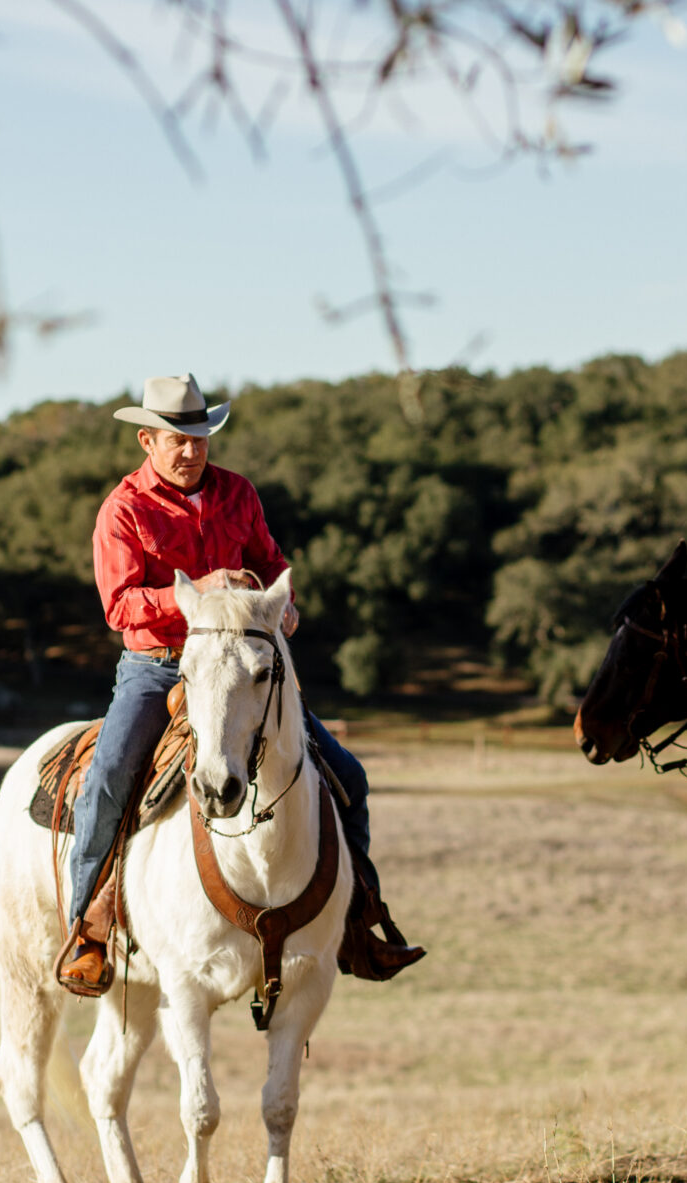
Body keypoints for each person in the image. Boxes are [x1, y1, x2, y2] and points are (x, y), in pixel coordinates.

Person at [56, 373, 425, 994]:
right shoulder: (123, 510)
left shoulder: (238, 493)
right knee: (110, 777)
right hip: (159, 667)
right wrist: (204, 598)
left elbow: (273, 561)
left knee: (348, 778)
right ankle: (86, 931)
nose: (191, 449)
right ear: (147, 440)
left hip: (245, 665)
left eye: (199, 435)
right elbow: (120, 608)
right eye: (176, 438)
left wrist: (283, 601)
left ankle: (357, 922)